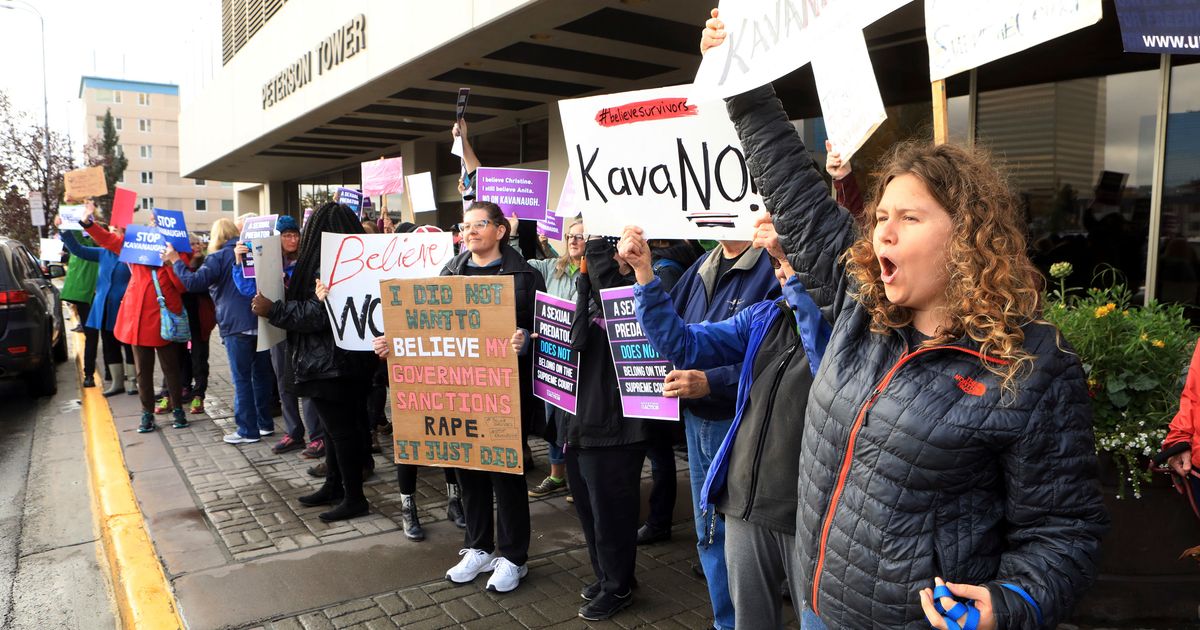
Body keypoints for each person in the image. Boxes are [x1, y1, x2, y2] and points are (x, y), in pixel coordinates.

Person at [703, 11, 1109, 629]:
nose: (881, 232)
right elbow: (793, 189)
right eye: (881, 215)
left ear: (967, 240)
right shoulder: (863, 310)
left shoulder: (1031, 369)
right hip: (821, 605)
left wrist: (1012, 602)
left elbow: (1065, 532)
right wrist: (743, 81)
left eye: (909, 219)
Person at [630, 235, 782, 630]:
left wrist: (713, 382)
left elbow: (782, 360)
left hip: (745, 424)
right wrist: (643, 271)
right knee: (709, 534)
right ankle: (726, 621)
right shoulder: (702, 266)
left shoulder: (774, 266)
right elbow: (680, 340)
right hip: (699, 421)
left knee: (742, 541)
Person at [538, 233, 654, 621]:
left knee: (612, 514)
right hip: (579, 424)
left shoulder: (639, 293)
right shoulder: (583, 293)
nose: (589, 258)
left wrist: (609, 265)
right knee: (590, 512)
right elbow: (575, 345)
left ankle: (617, 586)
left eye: (600, 252)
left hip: (617, 427)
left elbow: (625, 323)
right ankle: (609, 575)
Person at [437, 201, 545, 594]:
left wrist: (525, 343)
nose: (469, 232)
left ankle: (514, 557)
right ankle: (478, 547)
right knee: (469, 468)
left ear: (500, 230)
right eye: (465, 226)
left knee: (507, 473)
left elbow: (544, 333)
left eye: (478, 225)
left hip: (506, 392)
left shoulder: (525, 275)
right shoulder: (450, 273)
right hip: (462, 390)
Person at [253, 203, 376, 522]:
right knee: (340, 432)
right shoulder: (356, 259)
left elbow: (319, 314)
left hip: (328, 365)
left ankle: (354, 498)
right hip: (350, 362)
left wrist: (273, 310)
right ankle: (335, 486)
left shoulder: (329, 265)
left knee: (342, 433)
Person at [166, 218, 275, 445]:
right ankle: (265, 424)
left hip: (235, 326)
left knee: (242, 378)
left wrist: (176, 261)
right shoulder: (254, 251)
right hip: (261, 321)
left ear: (215, 236)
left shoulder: (217, 258)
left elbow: (193, 283)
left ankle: (247, 430)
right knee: (261, 376)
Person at [81, 202, 188, 433]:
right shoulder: (136, 243)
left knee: (171, 368)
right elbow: (110, 241)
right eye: (151, 221)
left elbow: (182, 285)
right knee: (142, 371)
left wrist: (172, 260)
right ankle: (147, 414)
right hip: (137, 318)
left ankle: (178, 409)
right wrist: (89, 223)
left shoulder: (178, 250)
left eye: (157, 222)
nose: (153, 224)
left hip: (163, 317)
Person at [232, 215, 325, 454]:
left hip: (302, 329)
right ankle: (294, 433)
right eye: (287, 235)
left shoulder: (308, 261)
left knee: (306, 381)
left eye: (295, 235)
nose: (292, 240)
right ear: (278, 238)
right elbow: (248, 290)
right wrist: (239, 261)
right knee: (285, 382)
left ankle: (317, 436)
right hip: (276, 328)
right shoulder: (267, 261)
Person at [637, 238, 704, 546]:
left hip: (666, 378)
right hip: (672, 378)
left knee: (660, 451)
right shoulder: (686, 261)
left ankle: (661, 520)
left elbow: (672, 326)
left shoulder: (664, 270)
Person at [525, 218, 584, 498]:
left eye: (581, 237)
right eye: (571, 236)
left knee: (575, 420)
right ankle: (556, 475)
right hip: (552, 359)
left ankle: (577, 479)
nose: (574, 241)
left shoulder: (595, 271)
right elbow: (521, 266)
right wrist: (514, 233)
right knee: (553, 420)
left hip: (581, 359)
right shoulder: (551, 267)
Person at [58, 216, 134, 396]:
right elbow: (78, 250)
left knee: (129, 345)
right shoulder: (103, 252)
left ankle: (133, 382)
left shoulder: (131, 253)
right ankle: (117, 383)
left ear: (123, 234)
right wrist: (64, 230)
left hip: (124, 306)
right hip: (105, 306)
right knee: (109, 344)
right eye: (110, 230)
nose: (111, 233)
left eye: (115, 230)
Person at [57, 224, 100, 386]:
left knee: (108, 338)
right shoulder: (86, 246)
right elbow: (77, 241)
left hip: (100, 297)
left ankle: (113, 376)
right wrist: (67, 223)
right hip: (88, 297)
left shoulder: (102, 248)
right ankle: (89, 374)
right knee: (93, 336)